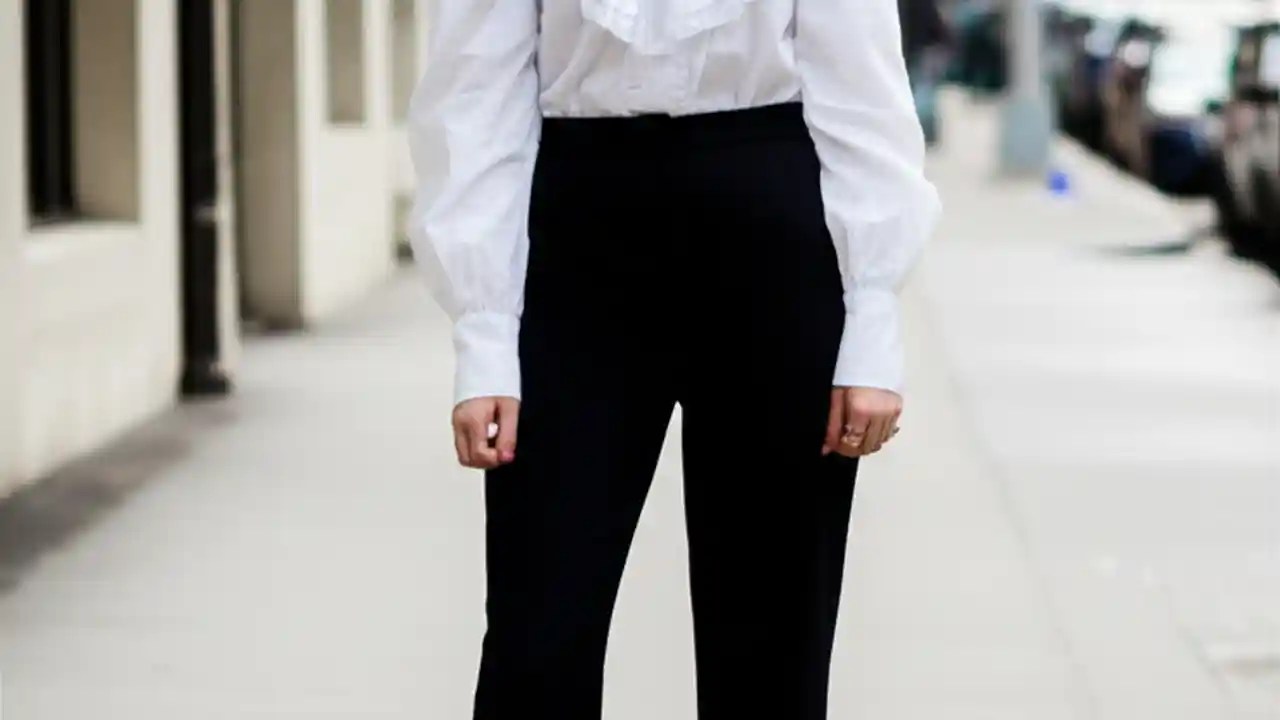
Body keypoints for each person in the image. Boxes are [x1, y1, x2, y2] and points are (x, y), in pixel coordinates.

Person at [408, 1, 940, 718]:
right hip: (578, 238)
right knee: (537, 634)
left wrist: (873, 318)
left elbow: (861, 85)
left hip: (772, 233)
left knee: (774, 641)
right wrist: (483, 336)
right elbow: (475, 92)